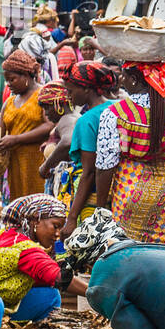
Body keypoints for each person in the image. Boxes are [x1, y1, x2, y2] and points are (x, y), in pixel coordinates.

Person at [94, 61, 165, 245]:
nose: (121, 79)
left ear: (135, 80)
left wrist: (101, 208)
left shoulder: (114, 113)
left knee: (130, 258)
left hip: (129, 196)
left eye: (124, 75)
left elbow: (105, 167)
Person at [0, 194, 87, 329]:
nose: (58, 234)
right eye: (55, 226)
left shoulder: (8, 235)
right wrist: (94, 292)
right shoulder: (24, 249)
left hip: (0, 305)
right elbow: (58, 278)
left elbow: (44, 276)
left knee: (49, 296)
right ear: (36, 220)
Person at [58, 60, 118, 238]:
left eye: (70, 91)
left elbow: (89, 171)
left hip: (94, 195)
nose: (68, 96)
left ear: (85, 89)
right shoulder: (119, 107)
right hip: (121, 190)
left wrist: (72, 217)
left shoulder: (87, 121)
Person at [0, 48, 52, 201]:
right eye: (6, 80)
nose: (8, 84)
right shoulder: (9, 102)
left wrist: (17, 139)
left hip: (37, 161)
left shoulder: (43, 95)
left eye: (12, 79)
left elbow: (49, 126)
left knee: (38, 203)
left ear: (26, 75)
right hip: (15, 163)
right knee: (19, 203)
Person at [36, 81, 76, 196]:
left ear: (59, 103)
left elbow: (67, 142)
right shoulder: (69, 119)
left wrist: (45, 166)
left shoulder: (67, 119)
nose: (46, 113)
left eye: (47, 107)